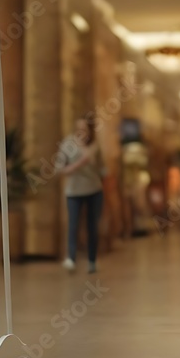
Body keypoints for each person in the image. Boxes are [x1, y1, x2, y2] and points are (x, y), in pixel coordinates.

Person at [57, 117, 104, 274]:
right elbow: (60, 168)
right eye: (79, 128)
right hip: (74, 191)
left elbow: (103, 169)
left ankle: (92, 259)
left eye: (85, 128)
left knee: (92, 226)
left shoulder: (94, 146)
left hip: (94, 190)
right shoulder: (68, 144)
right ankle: (71, 258)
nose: (81, 132)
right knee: (73, 225)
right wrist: (79, 164)